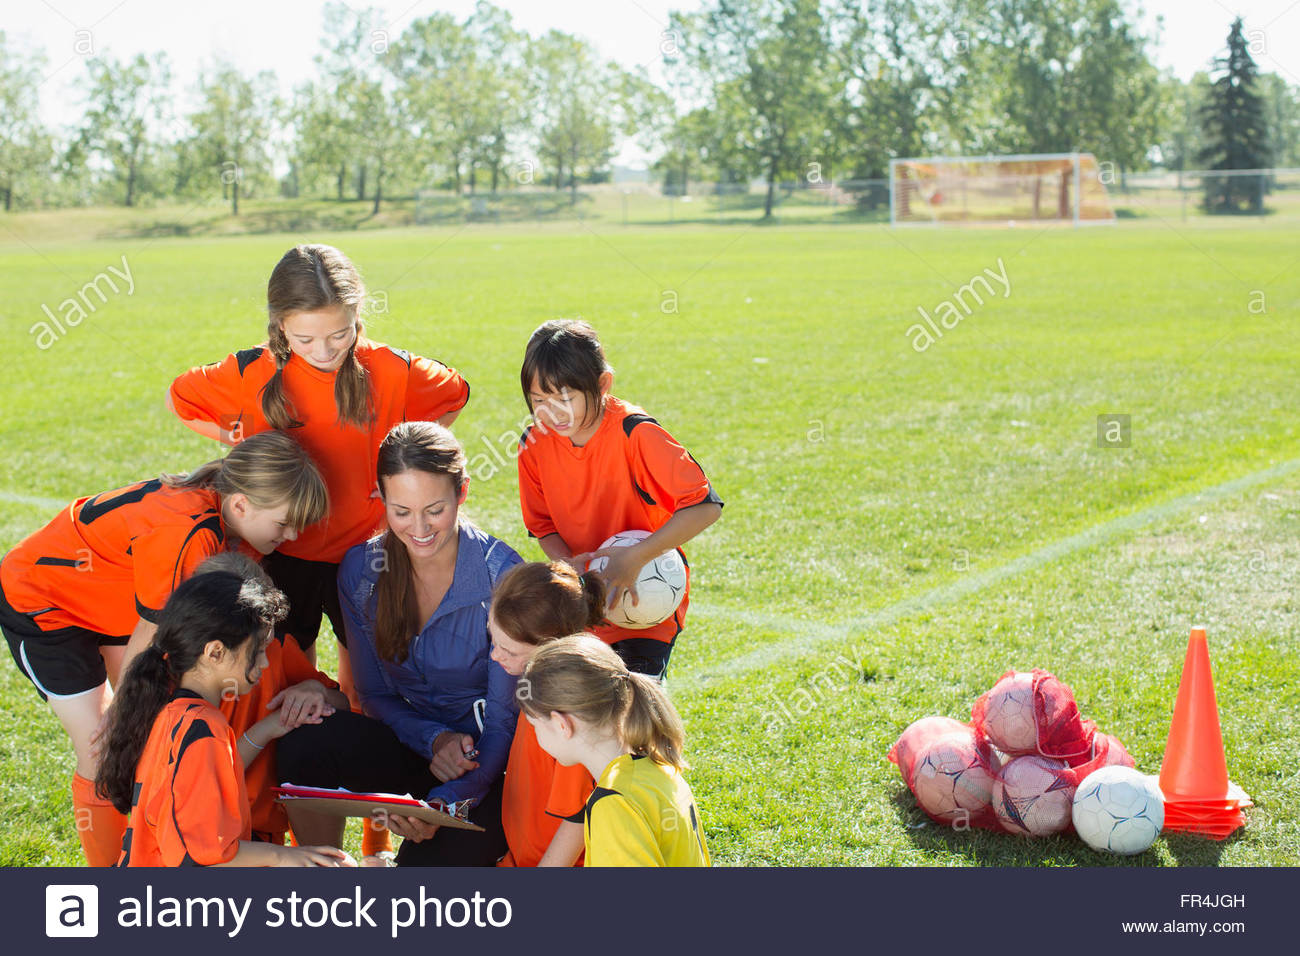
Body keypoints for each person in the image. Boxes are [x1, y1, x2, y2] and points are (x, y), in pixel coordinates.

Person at [0, 431, 326, 866]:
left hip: (111, 609)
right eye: (284, 523)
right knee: (105, 747)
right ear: (241, 504)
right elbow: (152, 632)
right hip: (46, 606)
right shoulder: (186, 532)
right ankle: (110, 882)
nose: (292, 534)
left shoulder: (228, 521)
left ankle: (147, 847)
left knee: (150, 738)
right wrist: (124, 715)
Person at [166, 243, 470, 667]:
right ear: (280, 325)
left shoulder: (392, 369)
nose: (325, 351)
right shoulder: (251, 370)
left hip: (370, 551)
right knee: (290, 675)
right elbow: (180, 398)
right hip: (282, 551)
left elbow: (454, 394)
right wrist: (244, 439)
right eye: (305, 338)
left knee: (371, 673)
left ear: (356, 316)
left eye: (339, 335)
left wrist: (398, 458)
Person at [277, 421, 521, 866]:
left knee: (418, 880)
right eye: (402, 511)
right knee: (303, 743)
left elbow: (505, 720)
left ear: (462, 492)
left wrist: (445, 801)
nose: (420, 528)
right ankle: (318, 871)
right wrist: (434, 739)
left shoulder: (502, 577)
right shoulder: (361, 571)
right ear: (380, 499)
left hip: (486, 766)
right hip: (415, 747)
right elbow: (373, 695)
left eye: (435, 509)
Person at [95, 571, 353, 867]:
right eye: (256, 652)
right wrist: (285, 856)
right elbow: (200, 858)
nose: (265, 662)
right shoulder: (202, 730)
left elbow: (211, 782)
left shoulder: (174, 714)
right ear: (215, 652)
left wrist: (269, 728)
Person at [516, 319, 722, 679]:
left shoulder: (636, 432)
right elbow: (542, 526)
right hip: (585, 600)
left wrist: (635, 557)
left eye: (565, 398)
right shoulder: (533, 443)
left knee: (632, 714)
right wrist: (570, 565)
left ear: (602, 384)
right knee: (580, 710)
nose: (552, 412)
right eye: (539, 400)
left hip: (646, 596)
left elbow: (704, 507)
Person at [193, 551, 351, 845]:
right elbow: (205, 788)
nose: (265, 661)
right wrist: (265, 730)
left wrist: (315, 692)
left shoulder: (275, 652)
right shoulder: (172, 692)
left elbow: (342, 707)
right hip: (199, 836)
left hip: (261, 833)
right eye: (257, 649)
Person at [517, 634, 710, 867]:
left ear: (561, 725)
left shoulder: (613, 804)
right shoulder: (660, 766)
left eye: (535, 724)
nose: (536, 736)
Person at [487, 561, 607, 867]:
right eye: (493, 639)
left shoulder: (570, 704)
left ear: (551, 647)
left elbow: (579, 816)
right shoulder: (538, 682)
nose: (494, 655)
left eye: (509, 650)